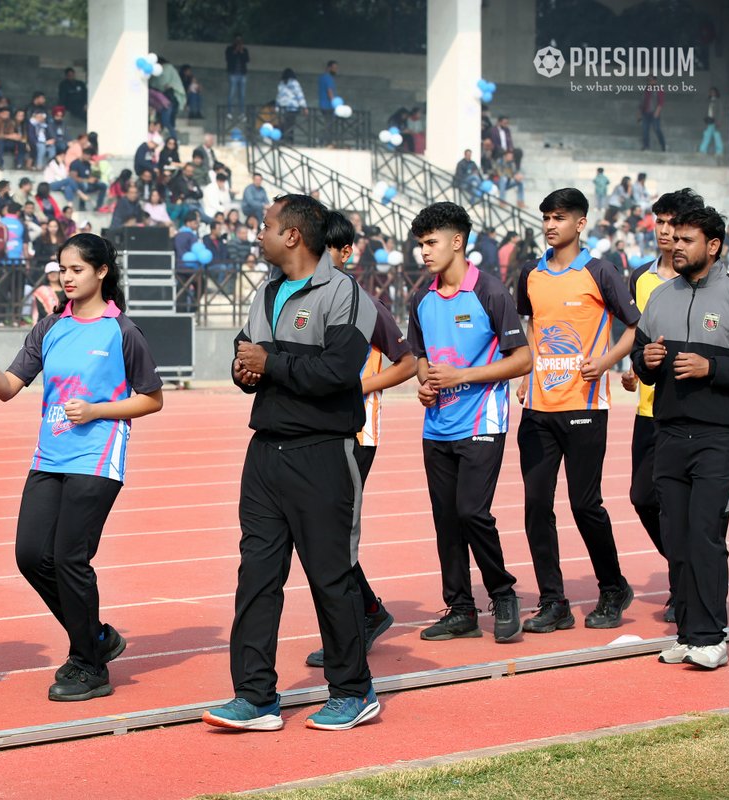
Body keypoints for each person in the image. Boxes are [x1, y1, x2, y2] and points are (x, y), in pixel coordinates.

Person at [0, 232, 164, 701]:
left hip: (97, 458)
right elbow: (8, 387)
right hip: (49, 457)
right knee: (31, 555)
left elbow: (151, 399)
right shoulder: (49, 328)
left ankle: (89, 665)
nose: (67, 278)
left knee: (71, 558)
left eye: (76, 269)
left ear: (101, 272)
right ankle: (94, 636)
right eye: (62, 269)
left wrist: (96, 411)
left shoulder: (122, 332)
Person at [203, 194, 381, 733]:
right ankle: (255, 695)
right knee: (256, 577)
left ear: (294, 236)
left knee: (331, 576)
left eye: (266, 226)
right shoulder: (266, 292)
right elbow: (247, 354)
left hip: (323, 453)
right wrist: (246, 369)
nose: (257, 234)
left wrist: (270, 363)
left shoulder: (346, 293)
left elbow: (338, 371)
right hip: (265, 454)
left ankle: (353, 690)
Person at [514, 188, 639, 633]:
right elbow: (528, 327)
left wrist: (605, 363)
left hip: (585, 407)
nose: (550, 225)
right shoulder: (530, 273)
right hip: (538, 411)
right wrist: (524, 375)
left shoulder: (600, 271)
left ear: (580, 223)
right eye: (546, 217)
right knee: (535, 506)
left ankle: (612, 587)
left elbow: (634, 328)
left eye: (560, 217)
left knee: (585, 504)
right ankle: (554, 602)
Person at [408, 202, 531, 643]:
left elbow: (524, 359)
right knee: (446, 519)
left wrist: (463, 375)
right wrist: (425, 384)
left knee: (471, 511)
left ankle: (503, 593)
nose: (423, 252)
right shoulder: (421, 298)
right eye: (420, 244)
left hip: (483, 420)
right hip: (436, 426)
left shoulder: (491, 293)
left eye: (431, 242)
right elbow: (420, 357)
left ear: (457, 242)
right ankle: (460, 608)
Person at [303, 211, 416, 668]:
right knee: (318, 535)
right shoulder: (302, 301)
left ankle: (355, 628)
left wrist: (356, 388)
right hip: (313, 434)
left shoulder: (364, 305)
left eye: (323, 252)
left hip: (355, 434)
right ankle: (367, 612)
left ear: (346, 253)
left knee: (332, 537)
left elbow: (406, 361)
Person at [632, 206, 729, 670]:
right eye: (672, 239)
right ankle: (687, 632)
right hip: (668, 431)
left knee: (704, 535)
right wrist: (646, 361)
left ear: (712, 246)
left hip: (719, 436)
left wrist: (710, 367)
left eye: (686, 240)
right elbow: (638, 360)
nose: (675, 246)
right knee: (675, 536)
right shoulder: (659, 299)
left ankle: (711, 637)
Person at [620, 188, 704, 624]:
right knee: (642, 498)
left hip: (694, 416)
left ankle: (685, 585)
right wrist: (634, 366)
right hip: (649, 413)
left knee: (686, 507)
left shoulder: (705, 281)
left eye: (673, 223)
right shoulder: (640, 278)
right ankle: (686, 570)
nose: (665, 232)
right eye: (660, 222)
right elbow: (639, 339)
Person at [275, 69, 308, 143]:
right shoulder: (294, 83)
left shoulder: (281, 83)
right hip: (292, 107)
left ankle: (283, 139)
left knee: (284, 124)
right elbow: (299, 95)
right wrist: (304, 107)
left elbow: (278, 96)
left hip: (282, 107)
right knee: (290, 125)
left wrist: (277, 108)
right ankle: (290, 140)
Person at [639, 77, 666, 152]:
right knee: (645, 130)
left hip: (654, 113)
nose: (650, 82)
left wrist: (657, 111)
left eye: (651, 80)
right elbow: (642, 102)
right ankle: (646, 146)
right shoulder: (646, 90)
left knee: (657, 129)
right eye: (649, 81)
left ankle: (663, 145)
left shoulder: (659, 89)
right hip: (645, 113)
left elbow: (661, 102)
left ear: (655, 81)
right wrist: (640, 113)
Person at [225, 35, 249, 117]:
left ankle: (242, 113)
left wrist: (241, 51)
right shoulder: (229, 49)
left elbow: (247, 60)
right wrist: (235, 51)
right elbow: (228, 59)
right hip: (233, 74)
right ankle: (229, 112)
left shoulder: (244, 50)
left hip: (242, 74)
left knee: (242, 94)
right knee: (231, 93)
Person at [699, 87, 724, 156]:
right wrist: (704, 121)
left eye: (713, 92)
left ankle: (719, 151)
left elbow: (720, 112)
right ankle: (702, 150)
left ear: (716, 93)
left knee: (717, 137)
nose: (712, 93)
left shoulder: (718, 101)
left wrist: (719, 121)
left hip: (715, 122)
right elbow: (704, 112)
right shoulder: (707, 101)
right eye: (711, 92)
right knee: (706, 136)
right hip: (708, 122)